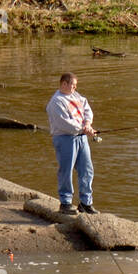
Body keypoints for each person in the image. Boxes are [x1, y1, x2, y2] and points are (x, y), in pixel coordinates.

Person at [47, 73, 97, 215]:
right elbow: (65, 124)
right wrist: (84, 129)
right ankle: (65, 202)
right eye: (72, 85)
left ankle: (86, 203)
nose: (75, 88)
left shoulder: (76, 96)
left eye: (75, 86)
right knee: (66, 170)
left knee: (87, 170)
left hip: (81, 138)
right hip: (64, 138)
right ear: (64, 84)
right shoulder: (56, 102)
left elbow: (87, 109)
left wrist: (87, 124)